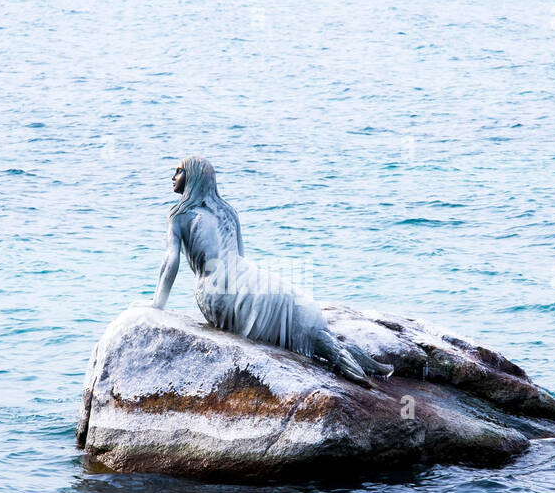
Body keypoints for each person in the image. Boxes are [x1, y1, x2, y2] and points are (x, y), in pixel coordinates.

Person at [151, 155, 393, 387]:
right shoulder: (227, 211)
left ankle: (358, 364)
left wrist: (157, 306)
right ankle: (354, 364)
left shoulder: (178, 215)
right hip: (238, 281)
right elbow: (239, 257)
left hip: (215, 293)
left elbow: (170, 262)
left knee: (300, 313)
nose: (173, 176)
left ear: (193, 177)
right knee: (299, 310)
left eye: (179, 171)